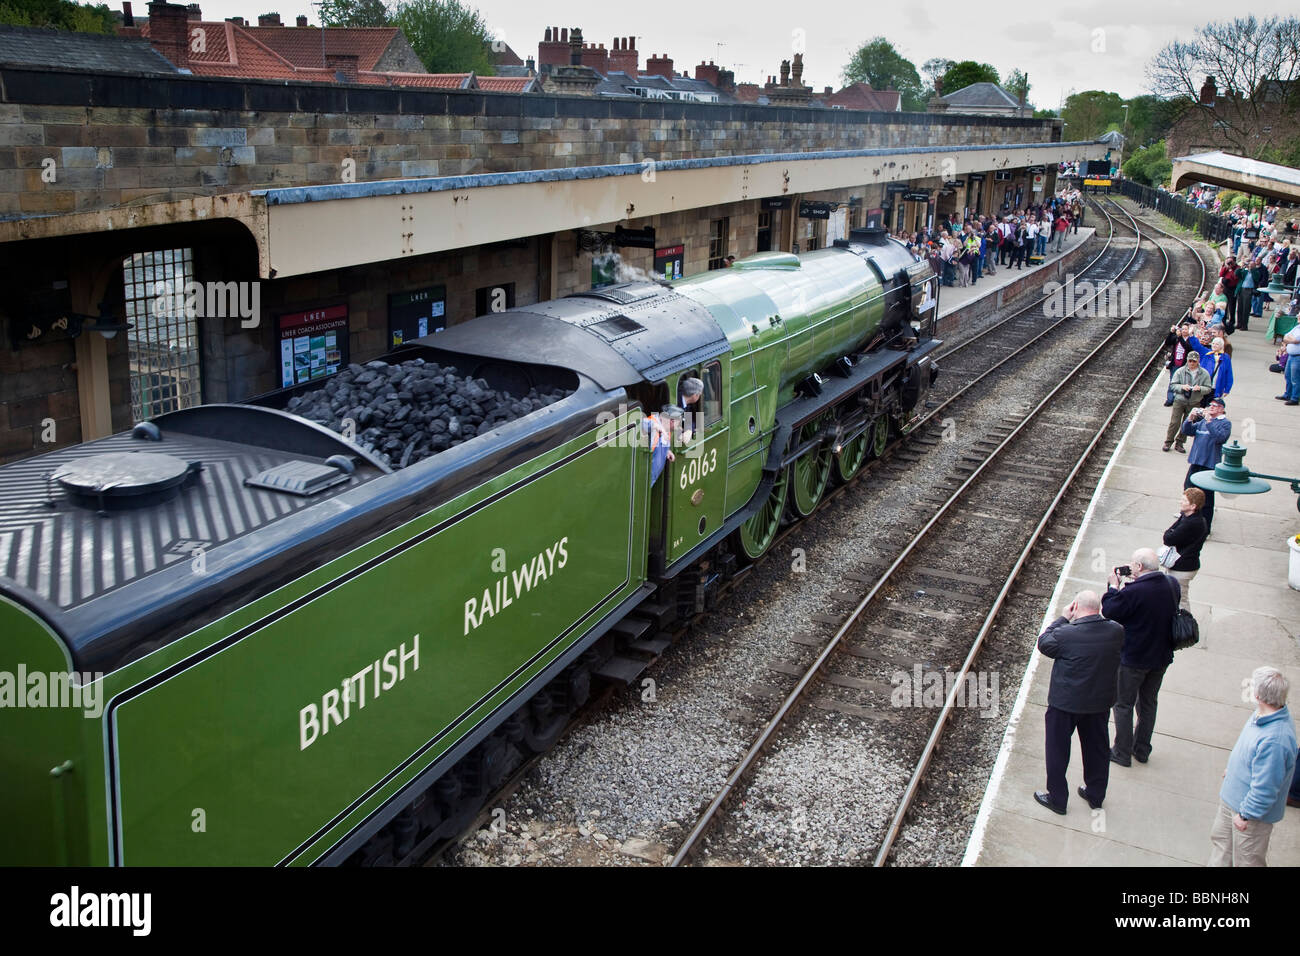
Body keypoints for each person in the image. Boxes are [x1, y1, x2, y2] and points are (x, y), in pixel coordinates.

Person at [1033, 590, 1125, 815]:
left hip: (1065, 704)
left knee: (1057, 750)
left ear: (1075, 606)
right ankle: (1095, 795)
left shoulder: (1066, 633)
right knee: (1097, 750)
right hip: (1098, 704)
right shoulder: (1116, 631)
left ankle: (1057, 799)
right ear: (1099, 608)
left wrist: (1063, 618)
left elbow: (1044, 643)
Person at [1209, 667, 1296, 866]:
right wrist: (1233, 770)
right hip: (1231, 799)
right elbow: (1247, 752)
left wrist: (1246, 815)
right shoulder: (1262, 714)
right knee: (1221, 849)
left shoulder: (1276, 740)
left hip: (1248, 816)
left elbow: (1266, 788)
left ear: (1258, 695)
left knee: (1247, 861)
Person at [1102, 548, 1177, 767]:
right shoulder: (1171, 585)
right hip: (1161, 656)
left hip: (1134, 659)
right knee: (1148, 704)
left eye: (1133, 565)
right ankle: (1142, 749)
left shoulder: (1134, 591)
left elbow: (1110, 610)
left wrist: (1113, 587)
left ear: (1139, 567)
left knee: (1123, 704)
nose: (1131, 567)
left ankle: (1122, 752)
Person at [1180, 398, 1231, 534]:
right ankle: (1185, 520)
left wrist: (1209, 422)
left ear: (1222, 409)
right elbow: (1187, 431)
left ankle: (1205, 529)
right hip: (1196, 462)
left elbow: (1220, 438)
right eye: (1211, 405)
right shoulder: (1203, 421)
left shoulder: (1225, 423)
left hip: (1209, 465)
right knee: (1188, 490)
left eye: (1215, 406)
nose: (1212, 407)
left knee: (1206, 498)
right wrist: (1189, 419)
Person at [1162, 488, 1208, 611]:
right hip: (1186, 565)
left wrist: (1170, 532)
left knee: (1181, 600)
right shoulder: (1191, 518)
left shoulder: (1190, 523)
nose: (1180, 502)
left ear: (1193, 506)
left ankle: (1186, 628)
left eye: (1184, 500)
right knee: (1174, 596)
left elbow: (1168, 538)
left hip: (1182, 568)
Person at [1164, 351, 1211, 452]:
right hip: (1180, 401)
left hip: (1194, 402)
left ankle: (1180, 443)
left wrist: (1200, 388)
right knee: (1174, 422)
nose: (1192, 363)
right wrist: (1182, 387)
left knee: (1187, 423)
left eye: (1194, 361)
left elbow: (1208, 388)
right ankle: (1168, 442)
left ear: (1198, 361)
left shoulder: (1204, 374)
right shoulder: (1180, 371)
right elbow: (1172, 385)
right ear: (1187, 360)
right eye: (1190, 361)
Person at [1278, 326, 1300, 406]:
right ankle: (1288, 394)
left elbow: (1296, 340)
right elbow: (1285, 337)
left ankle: (1295, 398)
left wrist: (1290, 338)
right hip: (1291, 355)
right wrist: (1291, 339)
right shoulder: (1297, 327)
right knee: (1288, 376)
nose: (1298, 316)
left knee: (1295, 379)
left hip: (1298, 356)